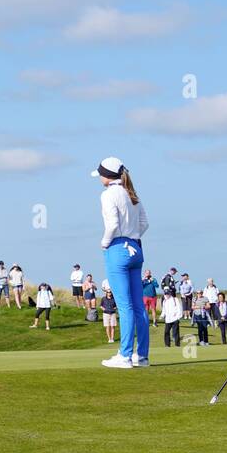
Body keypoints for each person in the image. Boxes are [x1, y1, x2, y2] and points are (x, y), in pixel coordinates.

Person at [93, 157, 150, 369]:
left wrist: (105, 243)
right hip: (136, 248)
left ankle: (125, 355)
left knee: (124, 306)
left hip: (117, 248)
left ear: (107, 176)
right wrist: (132, 236)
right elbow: (144, 224)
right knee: (138, 306)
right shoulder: (131, 192)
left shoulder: (108, 194)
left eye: (100, 174)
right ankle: (141, 356)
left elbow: (112, 224)